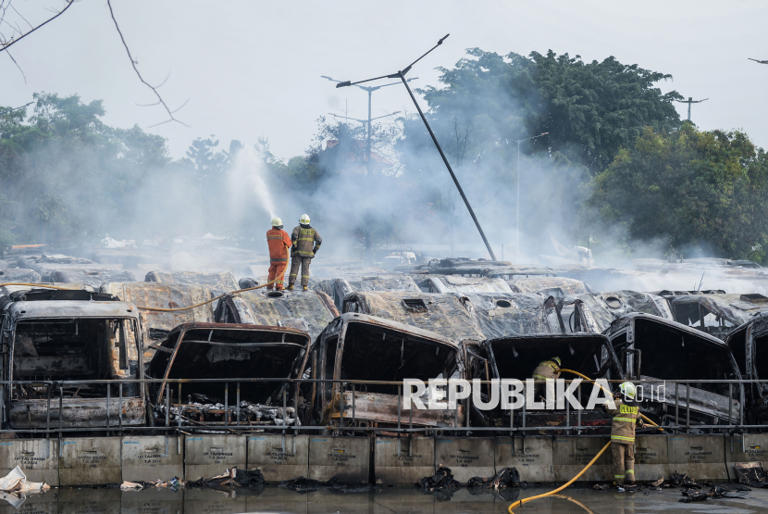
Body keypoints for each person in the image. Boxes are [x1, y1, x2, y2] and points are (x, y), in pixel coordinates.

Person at [607, 381, 643, 491]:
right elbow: (639, 420)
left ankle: (619, 483)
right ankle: (631, 480)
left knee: (619, 461)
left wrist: (613, 398)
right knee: (630, 459)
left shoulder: (618, 404)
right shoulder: (635, 406)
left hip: (618, 438)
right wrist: (641, 423)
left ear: (623, 393)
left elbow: (606, 407)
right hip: (630, 439)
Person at [288, 213, 322, 291]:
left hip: (297, 253)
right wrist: (314, 250)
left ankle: (291, 285)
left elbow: (294, 237)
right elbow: (319, 240)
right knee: (305, 270)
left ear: (300, 221)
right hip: (308, 254)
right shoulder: (313, 231)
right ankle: (305, 286)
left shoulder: (297, 229)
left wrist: (295, 247)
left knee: (294, 269)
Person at [266, 217, 292, 291]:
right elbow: (289, 244)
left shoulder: (268, 233)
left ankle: (269, 286)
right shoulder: (283, 233)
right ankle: (279, 287)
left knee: (272, 272)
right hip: (282, 258)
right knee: (280, 273)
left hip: (273, 258)